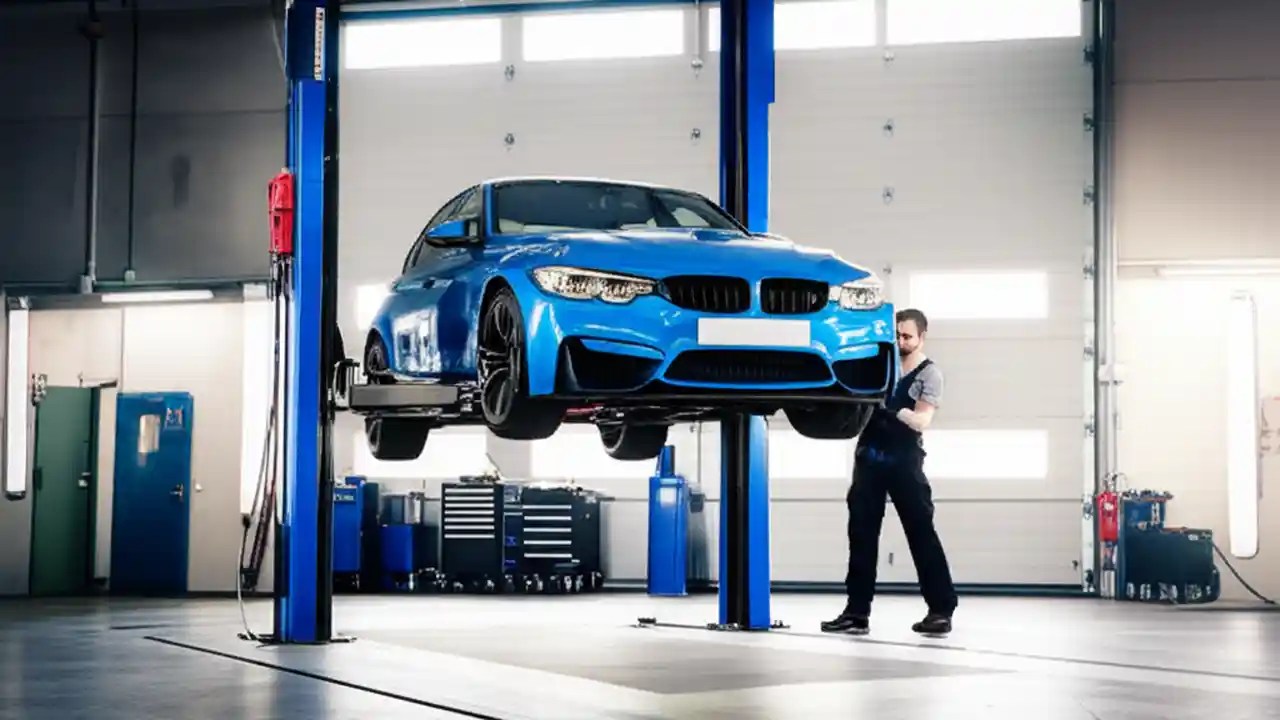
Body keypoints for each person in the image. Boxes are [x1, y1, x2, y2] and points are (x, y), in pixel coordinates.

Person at [821, 308, 957, 636]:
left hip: (904, 459)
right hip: (869, 456)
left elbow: (923, 419)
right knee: (861, 534)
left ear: (922, 337)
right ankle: (856, 613)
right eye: (896, 335)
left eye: (907, 336)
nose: (900, 341)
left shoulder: (929, 374)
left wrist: (896, 411)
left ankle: (940, 610)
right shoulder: (879, 367)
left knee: (921, 532)